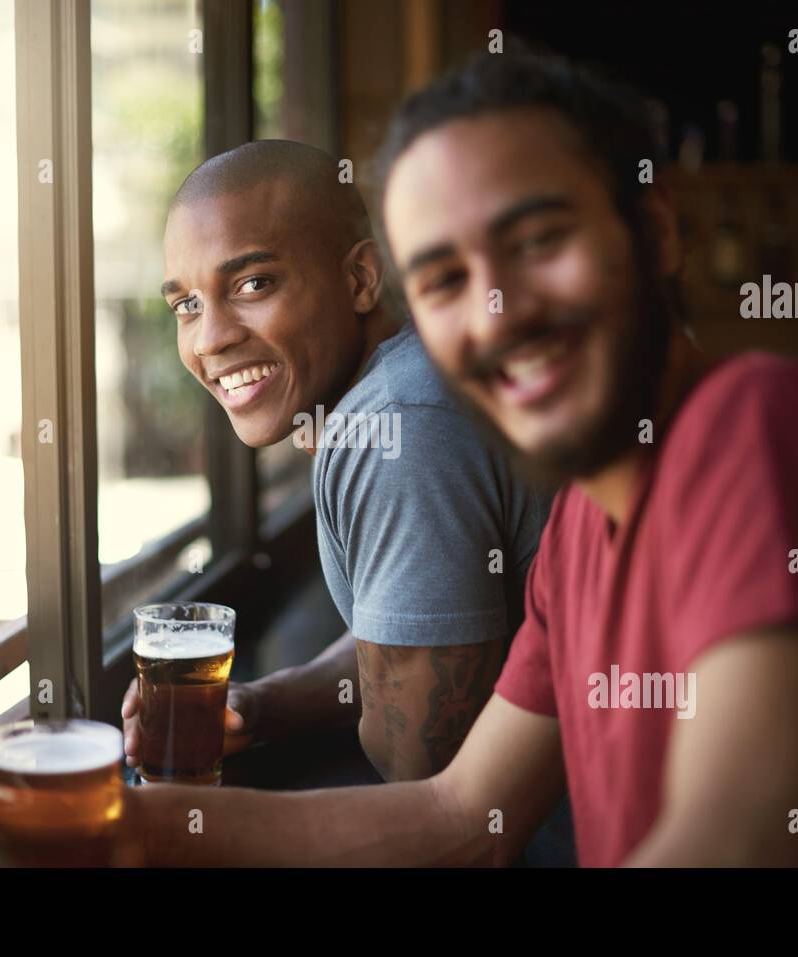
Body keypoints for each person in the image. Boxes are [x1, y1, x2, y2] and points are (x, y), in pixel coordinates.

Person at [0, 51, 798, 866]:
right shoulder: (580, 527)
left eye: (537, 239)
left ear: (655, 231)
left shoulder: (758, 423)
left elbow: (730, 847)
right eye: (447, 277)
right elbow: (463, 817)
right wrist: (135, 835)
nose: (496, 313)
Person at [122, 141, 556, 796]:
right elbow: (405, 638)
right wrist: (262, 705)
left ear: (359, 279)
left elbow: (418, 772)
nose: (210, 338)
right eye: (186, 304)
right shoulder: (400, 385)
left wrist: (170, 829)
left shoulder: (393, 425)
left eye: (252, 284)